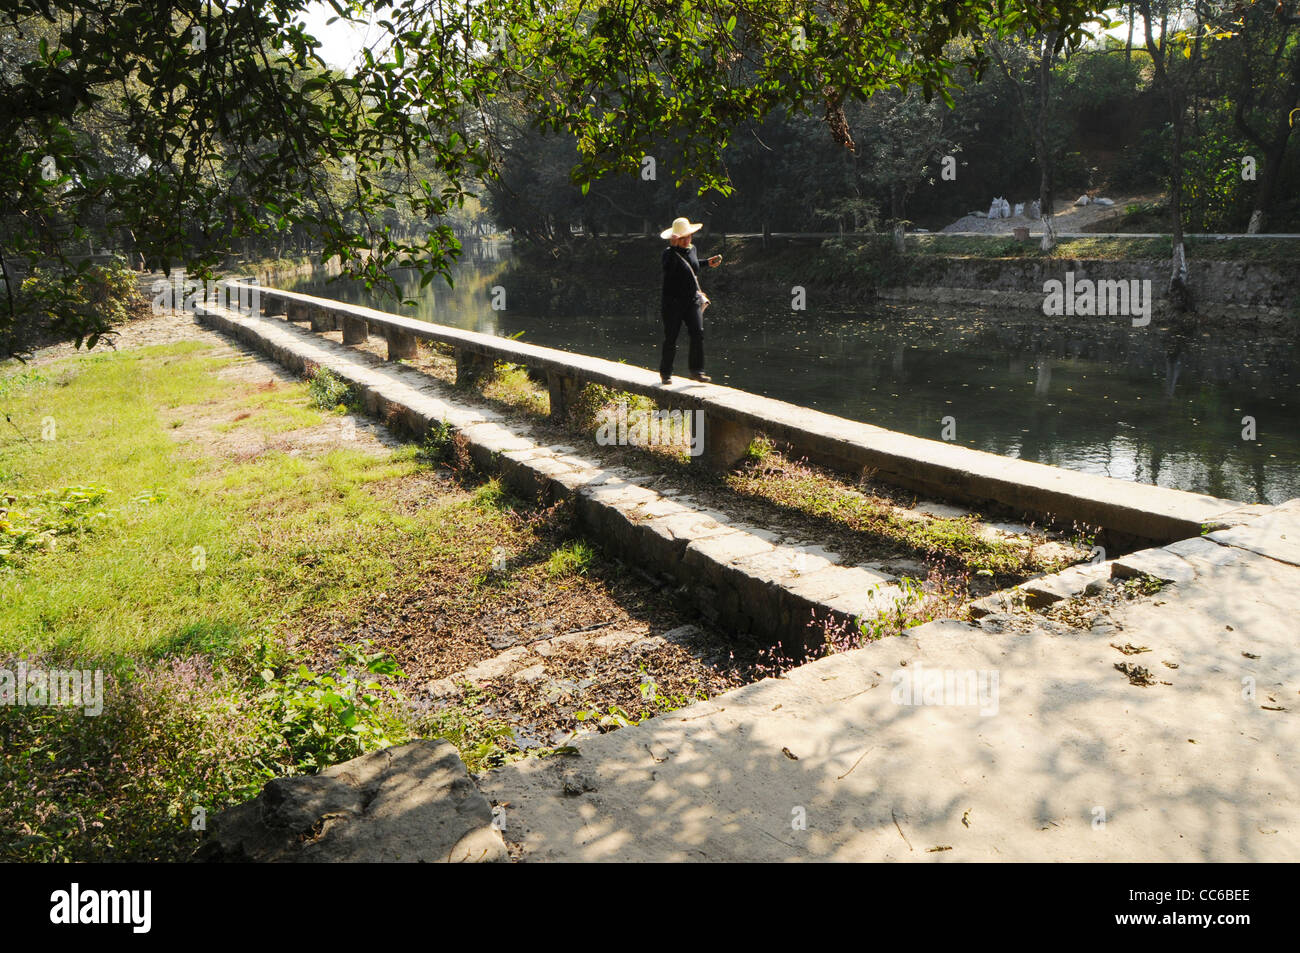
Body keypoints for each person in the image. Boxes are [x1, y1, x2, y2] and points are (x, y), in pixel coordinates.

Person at [659, 217, 721, 384]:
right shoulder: (668, 254)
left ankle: (697, 371)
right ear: (675, 238)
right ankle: (666, 373)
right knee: (671, 337)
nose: (687, 240)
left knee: (697, 332)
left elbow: (693, 266)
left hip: (691, 300)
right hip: (672, 302)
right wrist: (673, 248)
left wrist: (707, 263)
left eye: (689, 236)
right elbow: (669, 270)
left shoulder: (692, 249)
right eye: (683, 238)